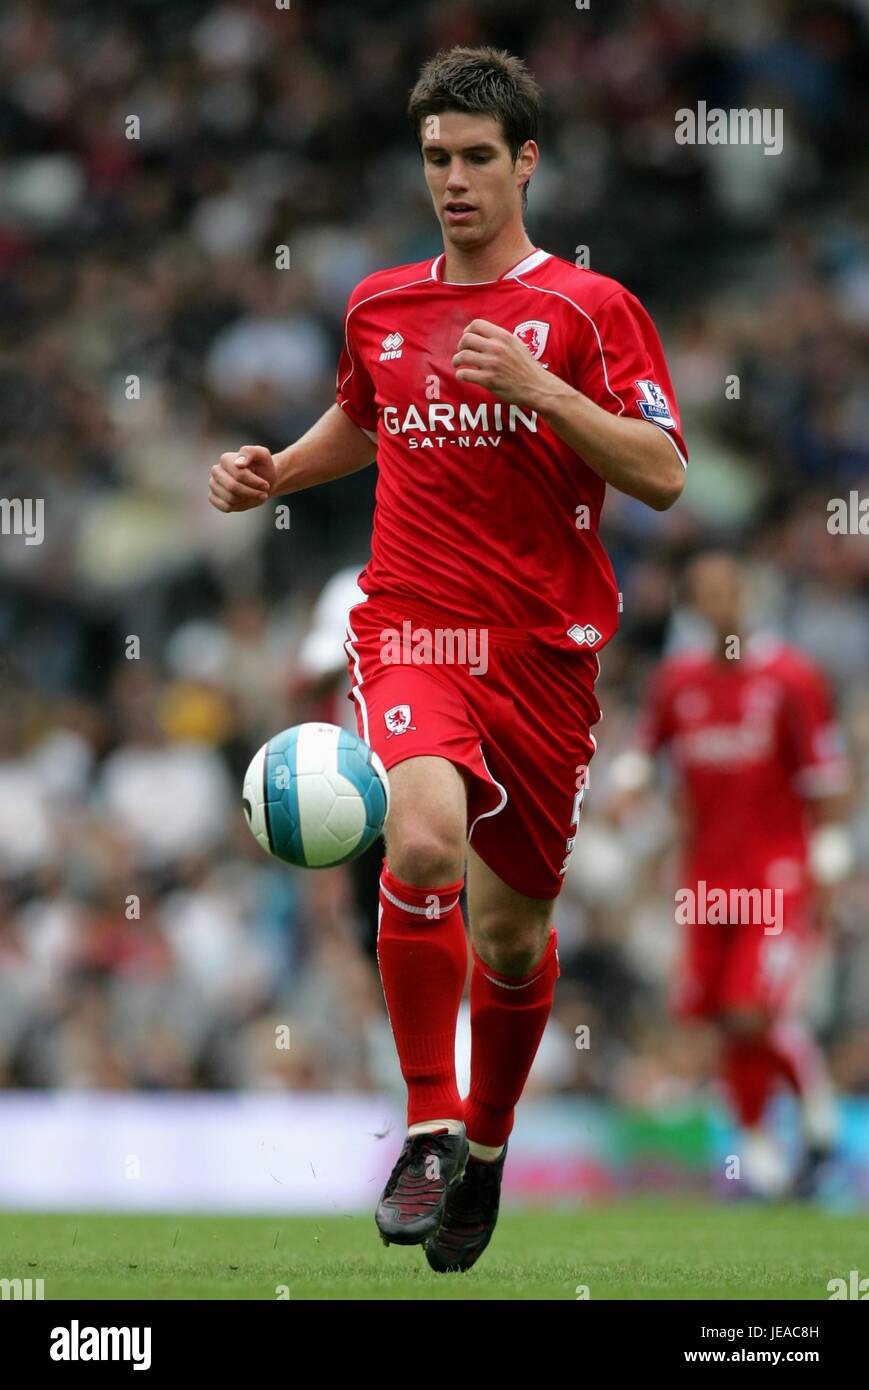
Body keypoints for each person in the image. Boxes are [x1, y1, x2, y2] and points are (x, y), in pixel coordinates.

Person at [208, 46, 686, 1270]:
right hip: (412, 625)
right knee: (419, 842)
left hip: (545, 656)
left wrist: (542, 392)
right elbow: (364, 423)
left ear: (525, 161)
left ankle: (484, 1144)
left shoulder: (590, 311)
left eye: (478, 157)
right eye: (436, 159)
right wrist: (273, 469)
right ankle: (425, 1123)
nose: (454, 180)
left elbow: (660, 473)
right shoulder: (380, 305)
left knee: (514, 939)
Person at [611, 552, 853, 1198]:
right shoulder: (676, 681)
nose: (717, 607)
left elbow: (825, 781)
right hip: (704, 877)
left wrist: (829, 862)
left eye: (727, 593)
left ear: (746, 597)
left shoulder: (791, 680)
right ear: (691, 607)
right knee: (718, 1015)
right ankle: (761, 1146)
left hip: (775, 874)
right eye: (704, 596)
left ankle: (807, 1119)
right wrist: (628, 788)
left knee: (750, 1008)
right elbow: (642, 751)